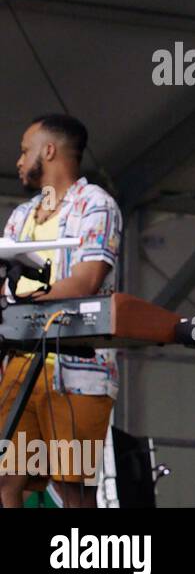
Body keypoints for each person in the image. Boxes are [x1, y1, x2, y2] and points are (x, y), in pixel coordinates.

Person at [0, 114, 122, 508]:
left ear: (48, 150)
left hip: (77, 372)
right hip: (20, 365)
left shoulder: (96, 206)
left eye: (24, 151)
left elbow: (87, 282)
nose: (19, 161)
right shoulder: (21, 216)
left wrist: (21, 298)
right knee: (7, 479)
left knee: (74, 489)